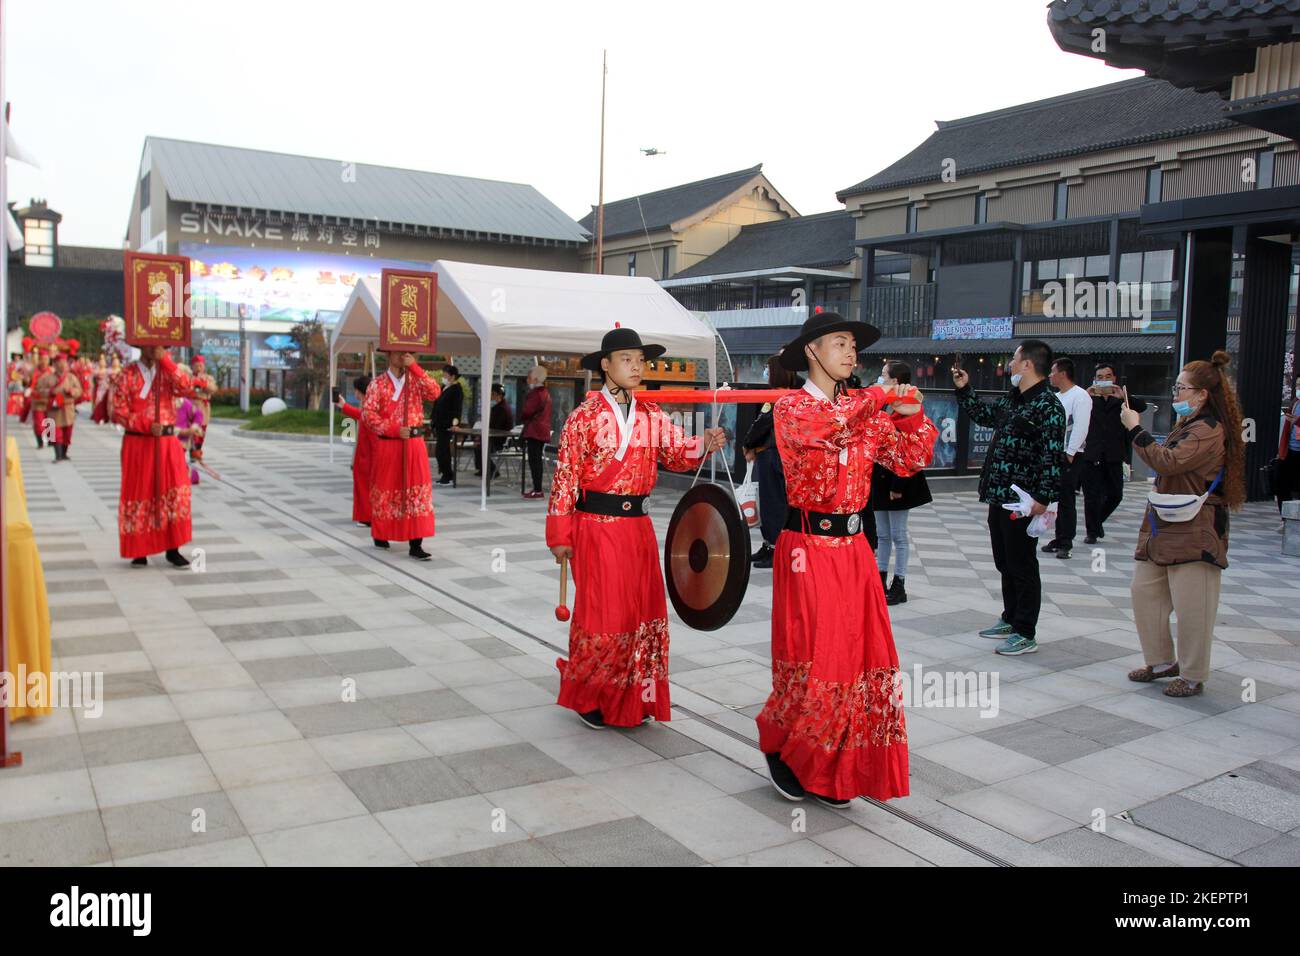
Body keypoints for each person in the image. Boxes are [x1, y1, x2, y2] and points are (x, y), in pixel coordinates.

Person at [757, 312, 936, 809]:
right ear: (811, 351)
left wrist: (912, 414)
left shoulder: (864, 411)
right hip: (808, 548)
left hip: (856, 549)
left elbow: (908, 460)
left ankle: (840, 765)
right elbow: (829, 426)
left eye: (853, 344)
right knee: (814, 655)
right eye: (840, 343)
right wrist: (881, 397)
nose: (851, 352)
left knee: (859, 658)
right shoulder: (792, 408)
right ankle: (791, 750)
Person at [547, 325, 725, 729]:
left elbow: (679, 451)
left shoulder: (651, 415)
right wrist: (560, 534)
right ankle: (592, 695)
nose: (636, 366)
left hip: (638, 528)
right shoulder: (584, 417)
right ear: (605, 365)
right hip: (595, 525)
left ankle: (634, 697)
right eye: (627, 359)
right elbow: (565, 478)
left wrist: (704, 442)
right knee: (602, 614)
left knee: (640, 613)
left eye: (640, 359)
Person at [1123, 351, 1244, 698]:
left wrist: (1135, 427)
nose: (1175, 394)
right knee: (1145, 592)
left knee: (1194, 607)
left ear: (1202, 394)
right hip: (1164, 526)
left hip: (1197, 529)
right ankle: (1161, 661)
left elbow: (1169, 462)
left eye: (1181, 389)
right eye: (1174, 387)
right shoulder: (1189, 424)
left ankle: (1192, 674)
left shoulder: (1209, 429)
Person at [953, 340, 1065, 656]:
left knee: (1022, 563)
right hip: (999, 493)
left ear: (1028, 364)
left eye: (1015, 360)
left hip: (1024, 499)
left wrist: (1044, 497)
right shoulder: (1014, 399)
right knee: (1004, 559)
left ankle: (1025, 631)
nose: (1011, 365)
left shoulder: (1049, 406)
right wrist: (965, 389)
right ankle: (1010, 617)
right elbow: (984, 415)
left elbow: (1053, 456)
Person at [110, 345, 195, 568]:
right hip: (138, 442)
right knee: (140, 492)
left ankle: (173, 548)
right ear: (141, 346)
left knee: (173, 491)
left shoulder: (167, 370)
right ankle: (140, 550)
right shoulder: (126, 374)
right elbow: (116, 410)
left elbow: (186, 387)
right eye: (151, 345)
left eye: (160, 345)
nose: (155, 348)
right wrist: (145, 424)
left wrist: (166, 361)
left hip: (168, 442)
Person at [361, 353, 441, 560]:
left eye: (408, 353)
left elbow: (434, 392)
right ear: (388, 355)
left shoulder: (415, 380)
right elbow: (368, 414)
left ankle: (416, 542)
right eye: (398, 352)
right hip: (389, 444)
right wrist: (394, 429)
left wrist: (415, 367)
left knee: (416, 490)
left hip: (414, 444)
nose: (403, 356)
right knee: (386, 488)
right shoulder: (377, 384)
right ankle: (382, 533)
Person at [871, 360, 932, 606]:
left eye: (884, 375)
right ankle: (879, 579)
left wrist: (898, 484)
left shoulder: (910, 407)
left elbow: (909, 451)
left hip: (899, 480)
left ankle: (899, 583)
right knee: (883, 535)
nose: (880, 378)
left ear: (896, 381)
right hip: (880, 478)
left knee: (898, 535)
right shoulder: (886, 405)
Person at [742, 354, 801, 569]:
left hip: (772, 455)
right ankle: (771, 546)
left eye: (768, 368)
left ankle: (774, 549)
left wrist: (747, 443)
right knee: (781, 503)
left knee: (771, 504)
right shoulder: (796, 396)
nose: (765, 372)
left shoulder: (776, 396)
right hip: (787, 456)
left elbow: (761, 425)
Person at [1080, 362, 1147, 544]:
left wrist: (1124, 396)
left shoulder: (1121, 399)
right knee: (1091, 497)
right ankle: (1092, 532)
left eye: (1107, 376)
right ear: (1094, 380)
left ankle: (1096, 522)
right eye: (1099, 377)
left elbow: (1142, 407)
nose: (1103, 380)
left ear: (1114, 379)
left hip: (1114, 454)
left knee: (1116, 494)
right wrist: (1085, 395)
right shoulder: (1088, 400)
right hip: (1092, 453)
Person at [1041, 356, 1091, 559]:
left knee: (1067, 498)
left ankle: (1066, 541)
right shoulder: (1057, 396)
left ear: (1062, 373)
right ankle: (1058, 536)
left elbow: (1081, 426)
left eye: (1053, 372)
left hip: (1070, 455)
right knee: (1056, 498)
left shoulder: (1080, 396)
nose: (1050, 376)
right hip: (1053, 453)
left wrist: (1070, 452)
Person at [335, 375, 376, 527]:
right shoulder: (370, 404)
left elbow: (363, 417)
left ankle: (366, 517)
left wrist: (344, 406)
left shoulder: (368, 406)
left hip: (368, 453)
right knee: (365, 485)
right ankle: (367, 515)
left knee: (364, 486)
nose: (355, 393)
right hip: (366, 452)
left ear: (360, 391)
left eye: (356, 390)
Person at [40, 344, 84, 462]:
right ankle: (58, 455)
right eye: (60, 362)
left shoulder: (71, 378)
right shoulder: (48, 378)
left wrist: (71, 391)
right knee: (55, 433)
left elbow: (79, 390)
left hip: (68, 408)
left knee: (67, 433)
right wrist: (51, 392)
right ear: (55, 364)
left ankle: (64, 453)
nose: (63, 365)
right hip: (55, 410)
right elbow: (40, 391)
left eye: (64, 362)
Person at [519, 365, 552, 499]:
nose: (528, 379)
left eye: (530, 376)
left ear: (536, 378)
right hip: (542, 430)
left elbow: (527, 411)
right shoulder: (546, 393)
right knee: (537, 460)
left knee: (534, 461)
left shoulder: (535, 394)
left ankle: (537, 489)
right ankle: (537, 488)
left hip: (534, 431)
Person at [433, 365, 464, 485]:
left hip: (447, 424)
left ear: (452, 376)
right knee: (441, 450)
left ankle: (447, 474)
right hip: (439, 423)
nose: (443, 377)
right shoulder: (444, 387)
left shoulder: (456, 390)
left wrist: (455, 423)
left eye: (445, 375)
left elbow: (457, 409)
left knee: (442, 450)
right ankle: (446, 473)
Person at [475, 383, 514, 480]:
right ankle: (484, 468)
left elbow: (496, 426)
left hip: (499, 439)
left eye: (492, 394)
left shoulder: (502, 409)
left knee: (481, 447)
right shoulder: (499, 407)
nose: (490, 396)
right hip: (496, 436)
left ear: (498, 395)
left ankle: (491, 469)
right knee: (479, 446)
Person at [28, 348, 52, 448]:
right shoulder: (33, 371)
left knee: (50, 422)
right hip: (37, 400)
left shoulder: (52, 371)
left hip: (49, 401)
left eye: (46, 359)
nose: (44, 362)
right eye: (42, 359)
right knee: (38, 423)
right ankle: (40, 442)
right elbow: (28, 384)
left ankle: (51, 441)